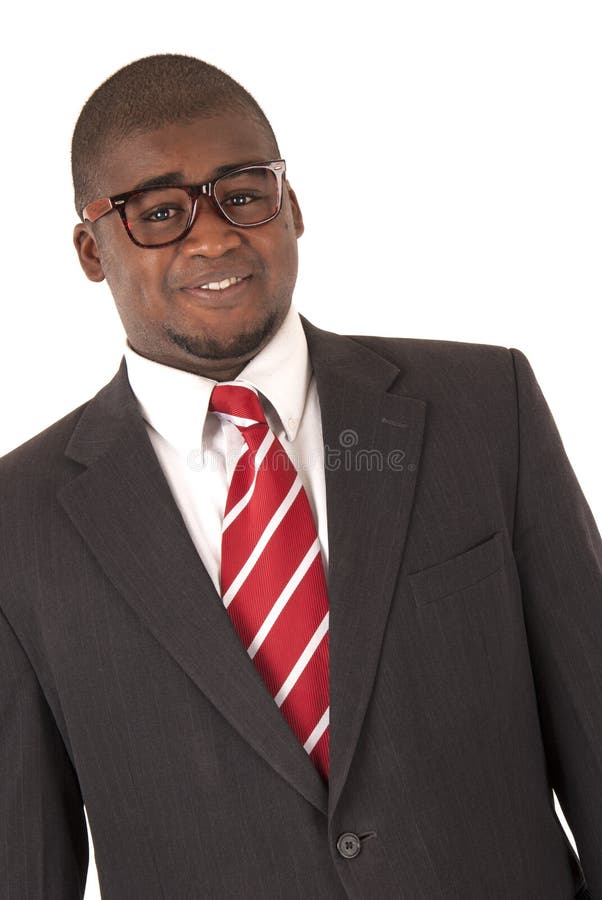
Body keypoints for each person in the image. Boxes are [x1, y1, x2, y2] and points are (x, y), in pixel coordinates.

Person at [0, 52, 599, 900]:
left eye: (243, 195)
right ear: (90, 251)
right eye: (159, 213)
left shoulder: (483, 410)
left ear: (294, 206)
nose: (214, 236)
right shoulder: (19, 524)